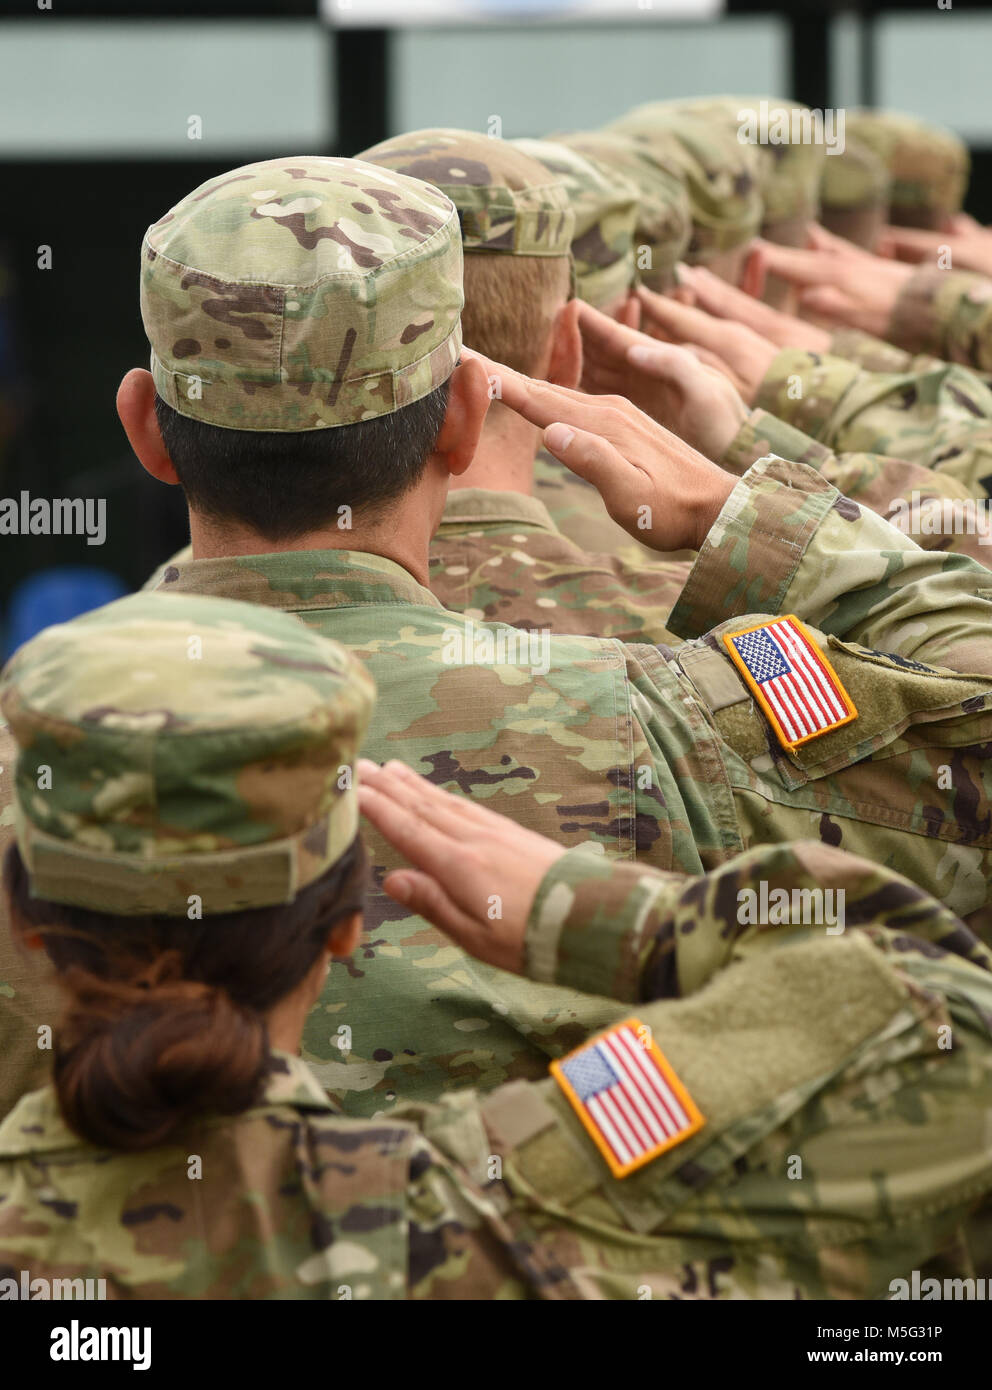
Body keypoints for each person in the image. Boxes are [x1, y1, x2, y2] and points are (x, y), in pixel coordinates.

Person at [116, 155, 992, 1117]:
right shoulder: (665, 724)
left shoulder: (34, 746)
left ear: (147, 432)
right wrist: (750, 507)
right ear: (463, 418)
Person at [2, 593, 992, 1301]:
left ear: (27, 923)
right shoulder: (469, 1219)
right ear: (349, 923)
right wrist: (595, 914)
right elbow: (949, 1018)